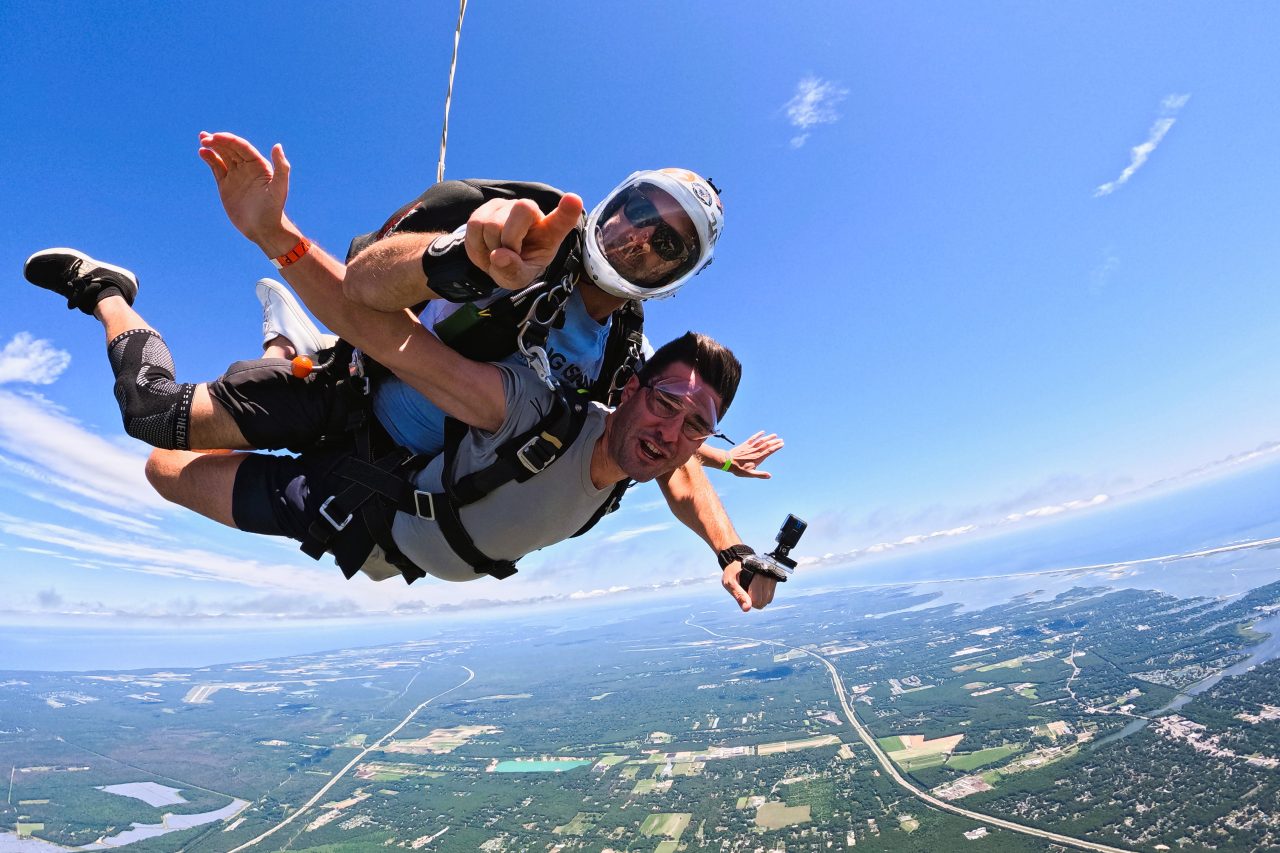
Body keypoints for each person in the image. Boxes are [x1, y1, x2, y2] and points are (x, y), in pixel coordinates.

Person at [23, 251, 769, 605]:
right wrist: (281, 237)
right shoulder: (530, 273)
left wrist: (729, 540)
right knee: (155, 420)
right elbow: (390, 327)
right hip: (353, 390)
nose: (642, 255)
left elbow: (665, 452)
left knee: (164, 476)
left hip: (369, 498)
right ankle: (108, 292)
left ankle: (284, 343)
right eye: (668, 406)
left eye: (695, 424)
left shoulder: (621, 364)